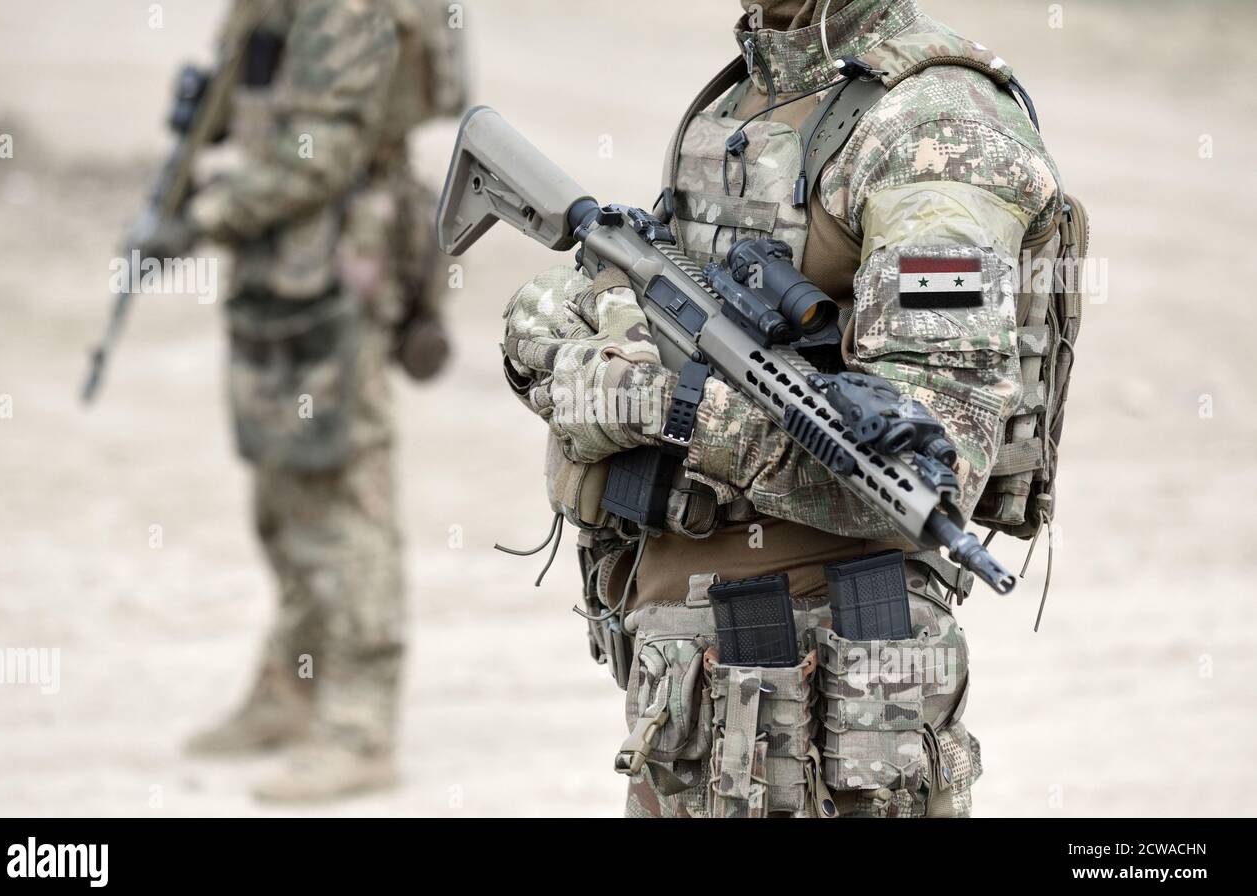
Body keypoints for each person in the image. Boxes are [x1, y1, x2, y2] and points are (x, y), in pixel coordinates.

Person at [500, 0, 1079, 817]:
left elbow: (936, 446)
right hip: (687, 702)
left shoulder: (938, 129)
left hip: (832, 712)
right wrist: (567, 342)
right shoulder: (746, 96)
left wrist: (670, 408)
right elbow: (630, 295)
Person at [145, 0, 466, 802]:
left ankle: (360, 723)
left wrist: (201, 217)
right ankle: (292, 685)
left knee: (344, 489)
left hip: (336, 270)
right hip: (282, 267)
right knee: (282, 485)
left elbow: (318, 156)